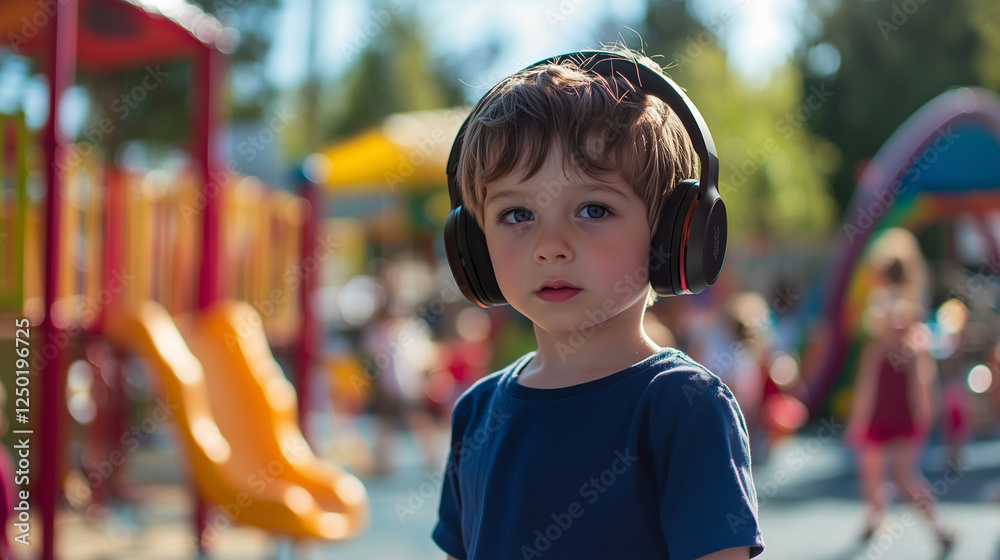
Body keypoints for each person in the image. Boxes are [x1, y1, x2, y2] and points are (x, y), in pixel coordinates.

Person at [433, 48, 763, 560]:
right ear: (474, 247)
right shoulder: (476, 414)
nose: (550, 245)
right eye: (517, 214)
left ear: (672, 238)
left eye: (592, 208)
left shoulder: (683, 407)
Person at [847, 256, 955, 554]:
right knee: (871, 470)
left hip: (905, 419)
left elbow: (924, 385)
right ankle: (875, 518)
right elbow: (866, 389)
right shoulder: (876, 352)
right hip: (880, 419)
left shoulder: (914, 350)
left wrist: (926, 417)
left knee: (906, 477)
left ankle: (939, 527)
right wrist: (859, 420)